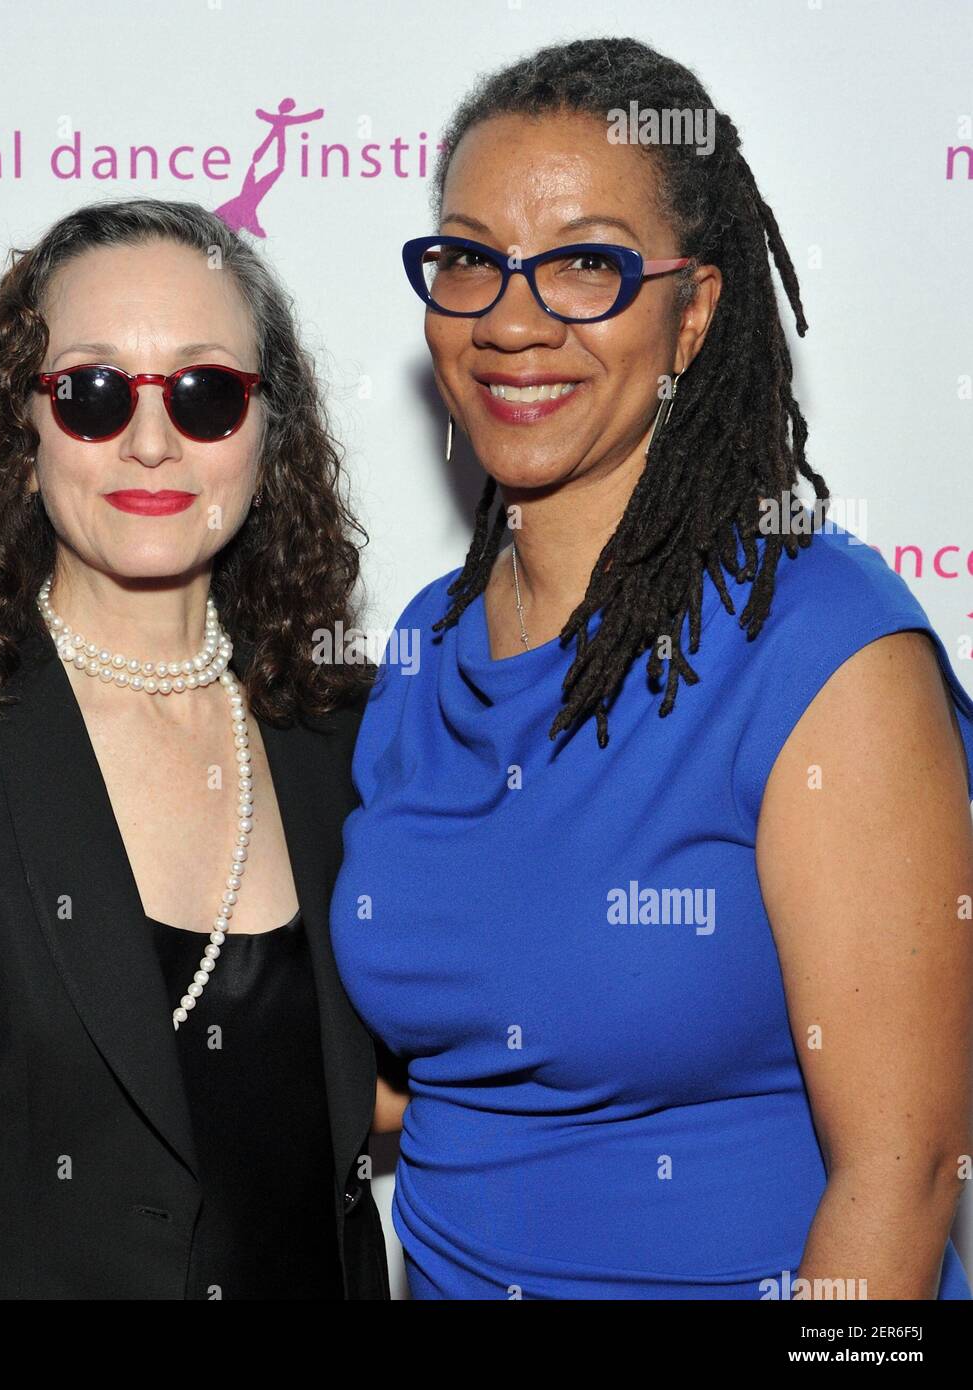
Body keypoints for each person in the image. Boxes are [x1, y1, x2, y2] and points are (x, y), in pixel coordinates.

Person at [331, 38, 973, 1299]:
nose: (511, 320)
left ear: (692, 311)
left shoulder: (821, 644)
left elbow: (903, 1175)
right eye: (467, 259)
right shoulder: (418, 649)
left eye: (586, 263)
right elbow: (442, 1060)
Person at [0, 198, 389, 1300]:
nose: (150, 441)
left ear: (267, 435)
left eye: (205, 393)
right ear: (22, 438)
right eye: (93, 393)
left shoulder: (351, 738)